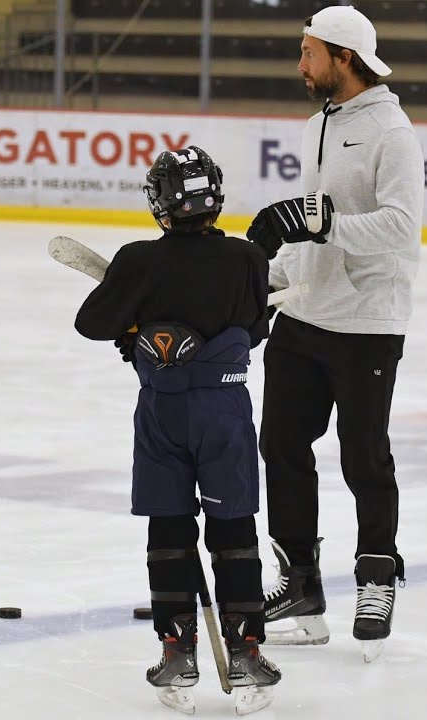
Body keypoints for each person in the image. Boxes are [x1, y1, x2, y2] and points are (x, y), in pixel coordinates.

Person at [243, 5, 425, 663]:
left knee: (363, 456)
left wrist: (323, 225)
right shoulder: (318, 125)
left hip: (366, 322)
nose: (300, 64)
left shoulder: (392, 133)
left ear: (344, 57)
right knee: (281, 445)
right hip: (304, 314)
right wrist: (266, 283)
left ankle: (376, 578)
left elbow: (400, 226)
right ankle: (301, 587)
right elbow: (309, 225)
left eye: (309, 52)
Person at [73, 145, 282, 715]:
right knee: (233, 528)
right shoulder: (247, 258)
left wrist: (140, 335)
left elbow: (92, 323)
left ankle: (176, 648)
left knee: (169, 528)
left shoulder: (138, 260)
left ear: (162, 203)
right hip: (225, 413)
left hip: (163, 416)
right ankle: (246, 649)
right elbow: (253, 331)